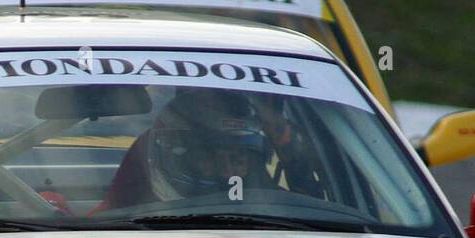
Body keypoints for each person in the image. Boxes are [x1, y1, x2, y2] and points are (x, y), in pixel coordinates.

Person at [94, 87, 325, 212]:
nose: (226, 172)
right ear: (169, 155)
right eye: (209, 157)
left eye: (237, 159)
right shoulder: (112, 223)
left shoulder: (279, 211)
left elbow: (311, 205)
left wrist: (286, 143)